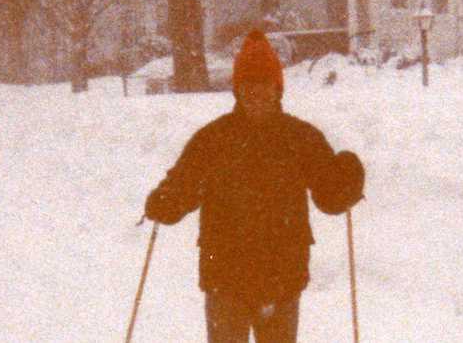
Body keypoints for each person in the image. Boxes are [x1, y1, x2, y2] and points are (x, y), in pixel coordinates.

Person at [144, 29, 365, 343]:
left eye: (264, 86)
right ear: (237, 90)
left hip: (282, 277)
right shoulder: (213, 139)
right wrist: (166, 201)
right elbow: (184, 186)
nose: (256, 94)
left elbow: (330, 198)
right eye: (248, 86)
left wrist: (347, 184)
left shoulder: (301, 138)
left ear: (278, 89)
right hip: (225, 275)